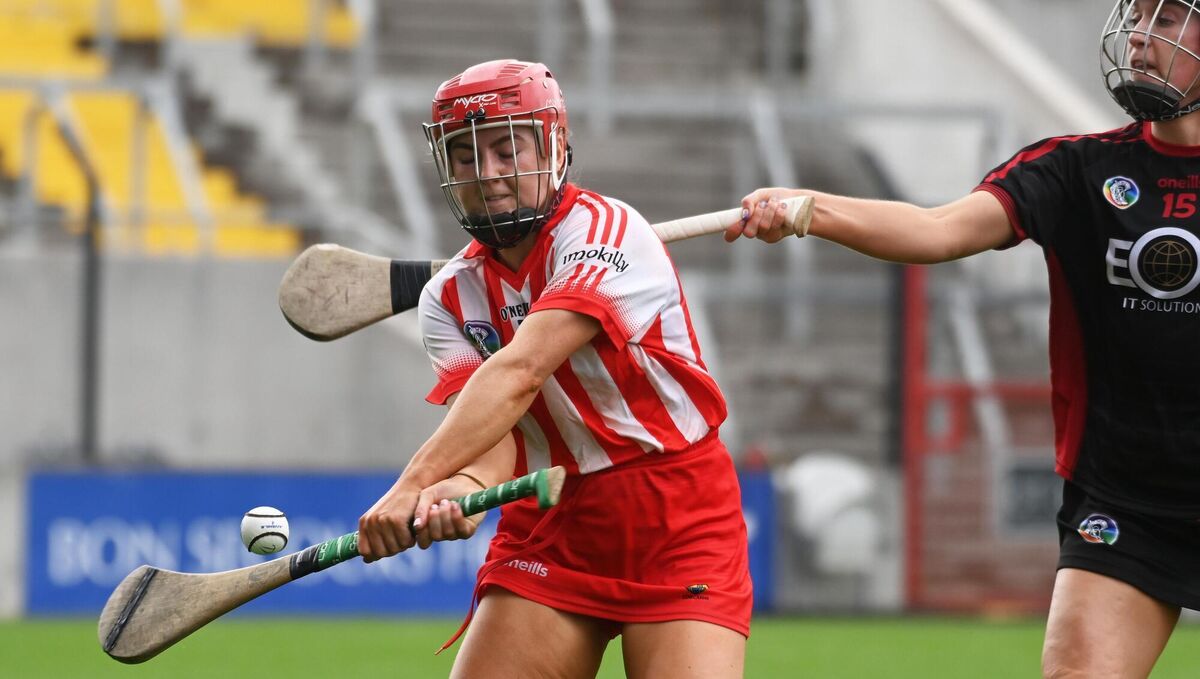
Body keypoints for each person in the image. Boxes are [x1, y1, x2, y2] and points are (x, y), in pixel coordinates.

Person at [726, 1, 1200, 676]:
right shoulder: (1076, 170)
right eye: (1137, 19)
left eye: (1170, 19)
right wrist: (812, 208)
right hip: (1123, 507)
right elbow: (939, 229)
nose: (1141, 37)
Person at [356, 59, 751, 679]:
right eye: (465, 155)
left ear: (554, 146)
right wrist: (462, 490)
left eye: (506, 148)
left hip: (677, 517)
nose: (486, 174)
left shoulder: (607, 233)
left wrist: (411, 481)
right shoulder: (449, 299)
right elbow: (499, 438)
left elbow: (523, 370)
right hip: (551, 522)